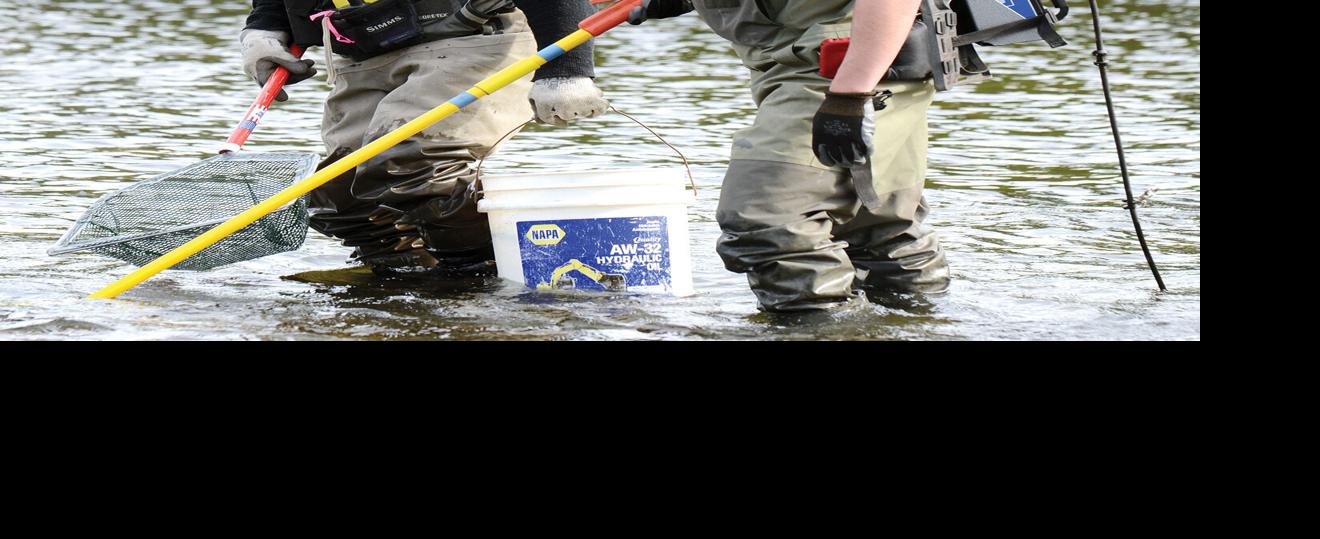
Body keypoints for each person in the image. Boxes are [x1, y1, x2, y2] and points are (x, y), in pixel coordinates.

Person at [240, 0, 610, 275]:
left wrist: (567, 68)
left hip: (473, 36)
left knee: (412, 159)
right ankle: (409, 280)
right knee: (340, 189)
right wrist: (265, 27)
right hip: (361, 49)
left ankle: (501, 273)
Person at [626, 0, 948, 312]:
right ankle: (917, 326)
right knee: (876, 227)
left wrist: (850, 96)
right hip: (812, 64)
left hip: (854, 65)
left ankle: (828, 334)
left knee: (766, 218)